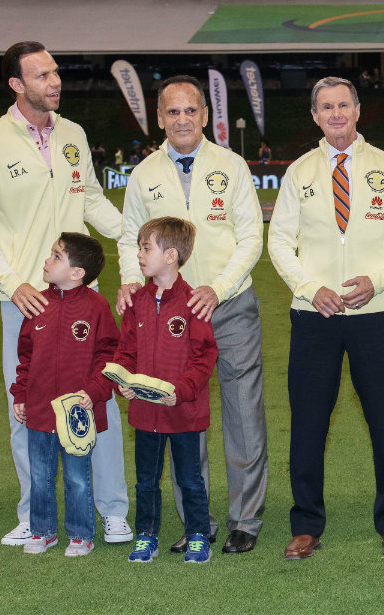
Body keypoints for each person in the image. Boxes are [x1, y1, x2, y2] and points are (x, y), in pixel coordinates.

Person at [0, 41, 132, 547]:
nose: (54, 82)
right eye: (42, 75)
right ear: (17, 84)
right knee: (27, 408)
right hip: (27, 301)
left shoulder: (73, 133)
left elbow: (92, 200)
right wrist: (13, 283)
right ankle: (35, 516)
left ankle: (112, 510)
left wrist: (136, 238)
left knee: (98, 402)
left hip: (85, 299)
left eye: (55, 72)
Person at [268, 77, 384, 560]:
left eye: (343, 105)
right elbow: (278, 241)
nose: (336, 114)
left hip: (376, 314)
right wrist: (309, 288)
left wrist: (378, 281)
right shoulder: (298, 172)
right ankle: (306, 524)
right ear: (314, 116)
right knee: (308, 424)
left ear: (358, 110)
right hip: (313, 314)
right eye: (326, 107)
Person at [116, 76, 268, 555]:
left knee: (243, 416)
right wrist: (130, 279)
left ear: (205, 115)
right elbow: (128, 238)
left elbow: (251, 237)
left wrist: (217, 288)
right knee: (179, 414)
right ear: (159, 119)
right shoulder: (144, 174)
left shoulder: (233, 165)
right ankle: (196, 522)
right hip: (170, 318)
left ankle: (245, 520)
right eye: (172, 112)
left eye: (191, 110)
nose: (182, 119)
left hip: (230, 306)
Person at [115, 217, 219, 564]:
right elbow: (125, 351)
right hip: (145, 413)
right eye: (141, 247)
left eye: (147, 247)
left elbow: (205, 356)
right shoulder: (136, 302)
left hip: (184, 412)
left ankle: (199, 534)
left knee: (190, 479)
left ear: (171, 255)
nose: (140, 254)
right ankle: (146, 535)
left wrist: (184, 390)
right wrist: (124, 382)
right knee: (145, 480)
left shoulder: (193, 302)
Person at [10, 233, 119, 557]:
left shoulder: (96, 307)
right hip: (40, 409)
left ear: (77, 273)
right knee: (40, 476)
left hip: (77, 414)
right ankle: (43, 532)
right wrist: (20, 395)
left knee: (77, 477)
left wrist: (95, 391)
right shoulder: (37, 305)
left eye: (56, 256)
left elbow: (108, 355)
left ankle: (81, 534)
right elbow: (25, 356)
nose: (47, 260)